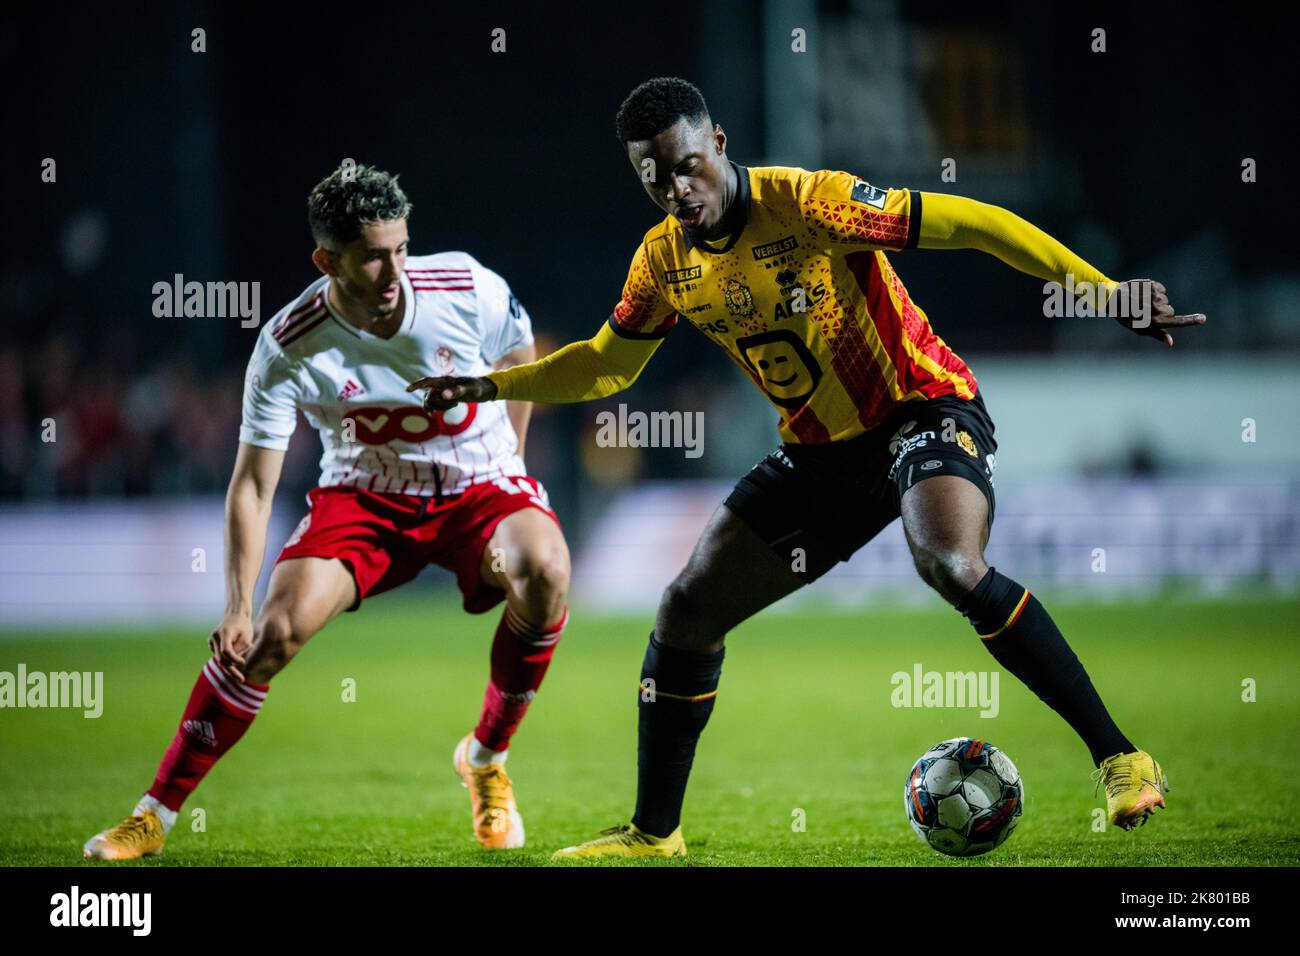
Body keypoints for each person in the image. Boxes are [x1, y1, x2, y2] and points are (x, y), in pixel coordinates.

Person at [411, 78, 1205, 859]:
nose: (675, 188)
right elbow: (606, 368)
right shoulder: (661, 263)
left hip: (920, 409)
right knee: (687, 607)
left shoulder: (810, 201)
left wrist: (1101, 291)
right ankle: (656, 835)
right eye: (653, 176)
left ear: (718, 143)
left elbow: (975, 222)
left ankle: (1120, 759)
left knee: (950, 565)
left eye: (687, 164)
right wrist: (491, 385)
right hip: (822, 455)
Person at [84, 164, 570, 859]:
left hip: (479, 484)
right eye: (372, 255)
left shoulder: (465, 284)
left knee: (547, 567)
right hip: (365, 495)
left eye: (400, 248)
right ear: (328, 261)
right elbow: (252, 486)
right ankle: (153, 815)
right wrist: (236, 605)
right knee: (271, 636)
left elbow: (521, 352)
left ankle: (486, 760)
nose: (393, 270)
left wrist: (513, 460)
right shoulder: (288, 344)